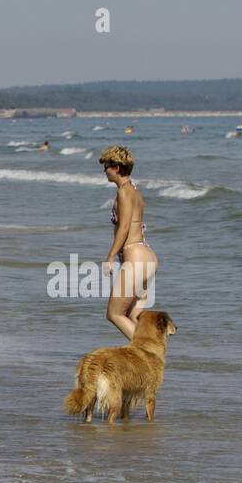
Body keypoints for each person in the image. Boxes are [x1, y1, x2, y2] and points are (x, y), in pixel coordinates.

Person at [99, 145, 158, 340]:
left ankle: (150, 356)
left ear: (116, 167)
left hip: (136, 258)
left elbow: (124, 227)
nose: (104, 170)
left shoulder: (124, 192)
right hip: (147, 257)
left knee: (114, 314)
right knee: (133, 316)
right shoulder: (135, 191)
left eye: (106, 166)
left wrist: (109, 256)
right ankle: (150, 357)